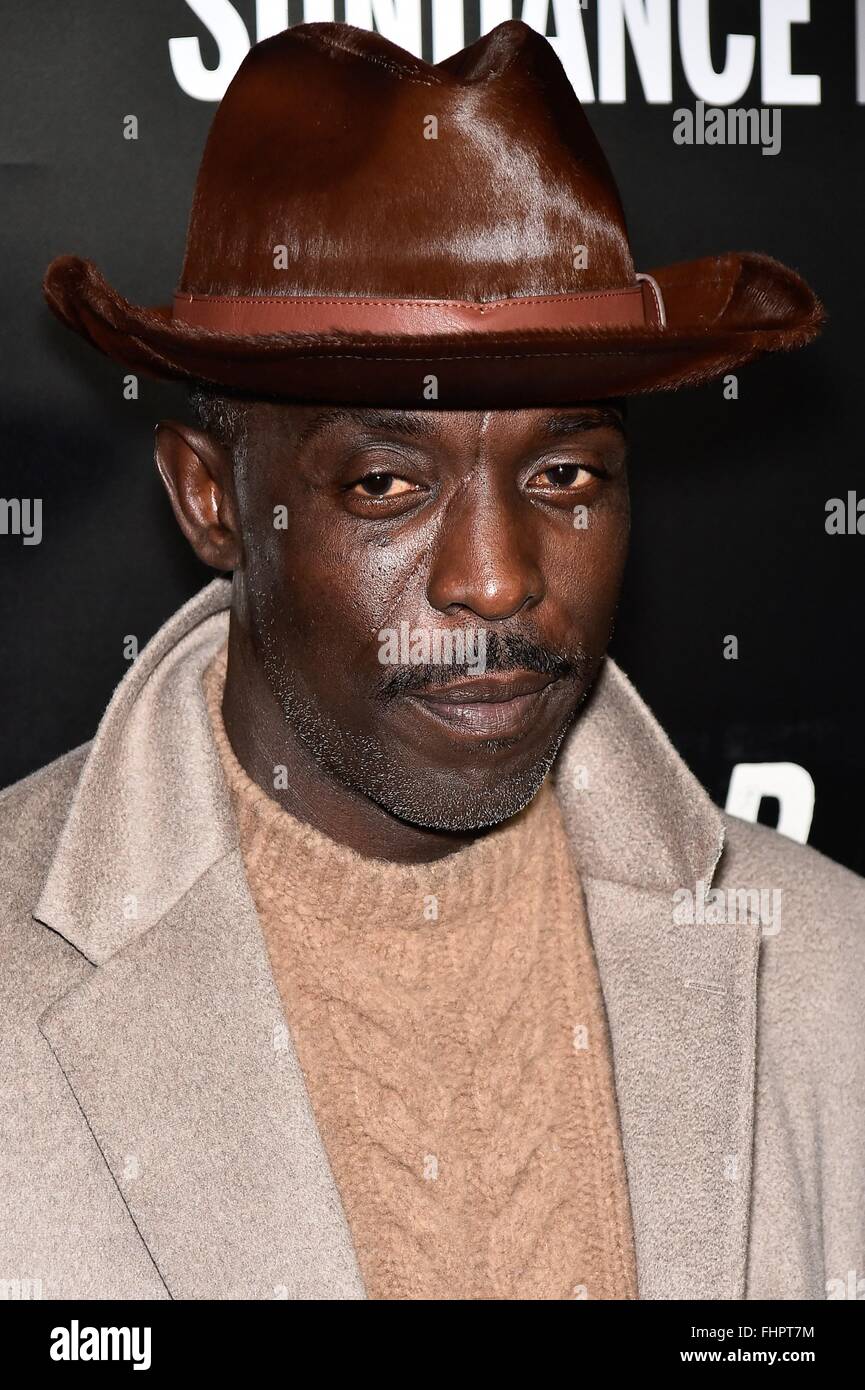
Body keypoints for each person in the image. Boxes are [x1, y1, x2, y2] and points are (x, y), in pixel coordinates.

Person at [2, 19, 862, 1301]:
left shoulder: (827, 967)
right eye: (388, 482)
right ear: (212, 502)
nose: (496, 577)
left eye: (565, 473)